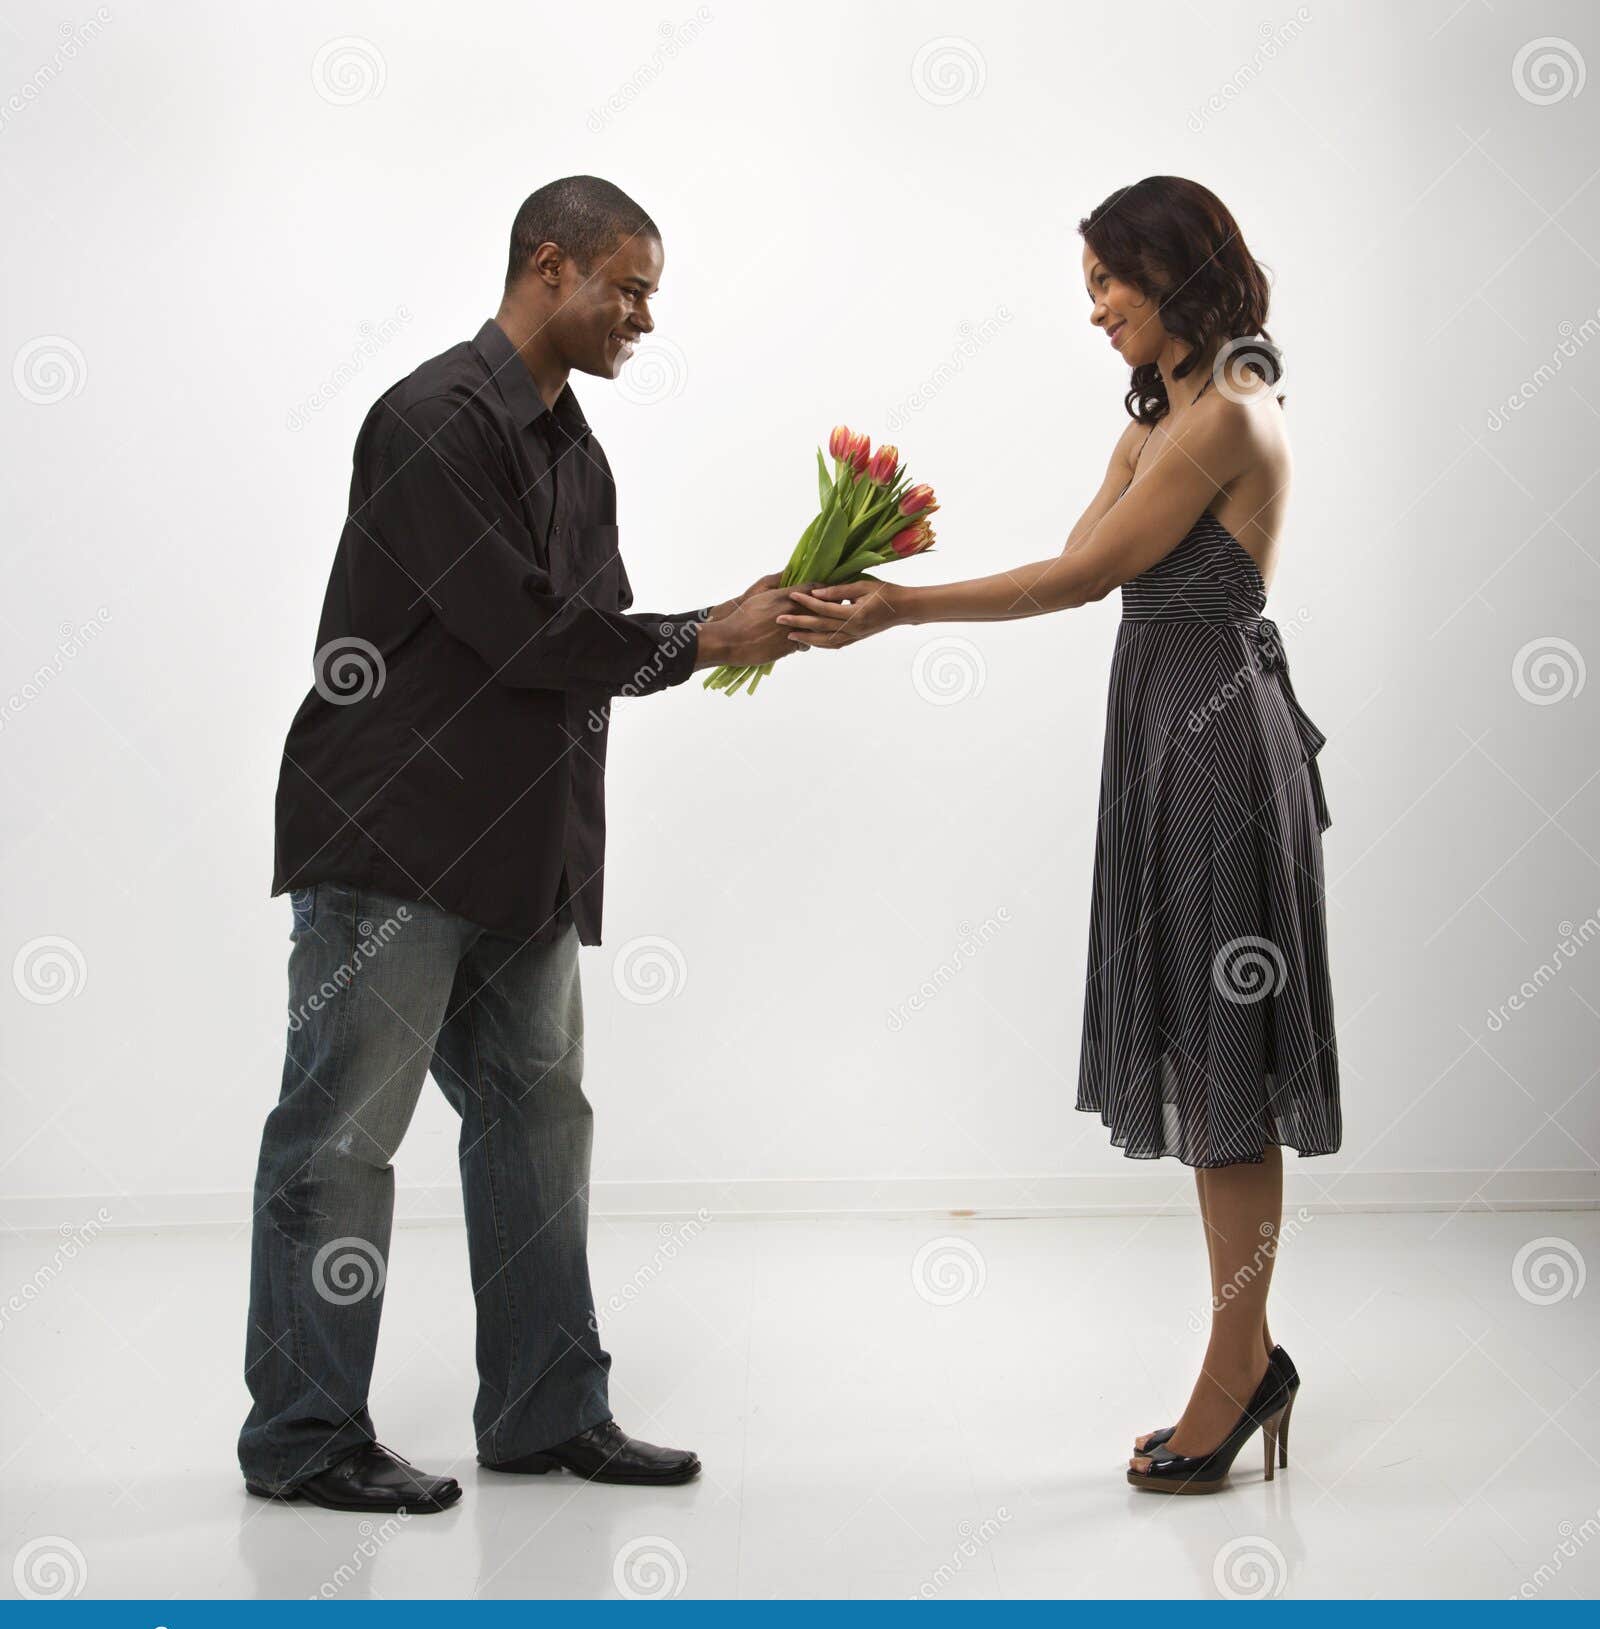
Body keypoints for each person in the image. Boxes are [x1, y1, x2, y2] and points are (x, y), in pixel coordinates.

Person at [239, 176, 796, 1514]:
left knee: (540, 1122)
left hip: (516, 853)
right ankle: (305, 1437)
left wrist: (699, 636)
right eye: (631, 288)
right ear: (552, 267)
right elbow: (528, 633)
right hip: (392, 839)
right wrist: (709, 630)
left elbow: (577, 656)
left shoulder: (576, 450)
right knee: (338, 1139)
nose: (644, 319)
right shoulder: (433, 421)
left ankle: (548, 1409)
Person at [778, 176, 1340, 1495]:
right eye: (1086, 285)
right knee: (1209, 1058)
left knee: (1224, 1065)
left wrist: (899, 606)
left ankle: (1234, 1368)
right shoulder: (1173, 405)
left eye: (1108, 283)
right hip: (1167, 728)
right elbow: (1088, 545)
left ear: (1172, 271)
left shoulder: (1226, 415)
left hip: (1211, 745)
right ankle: (1245, 1357)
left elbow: (1084, 578)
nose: (1092, 309)